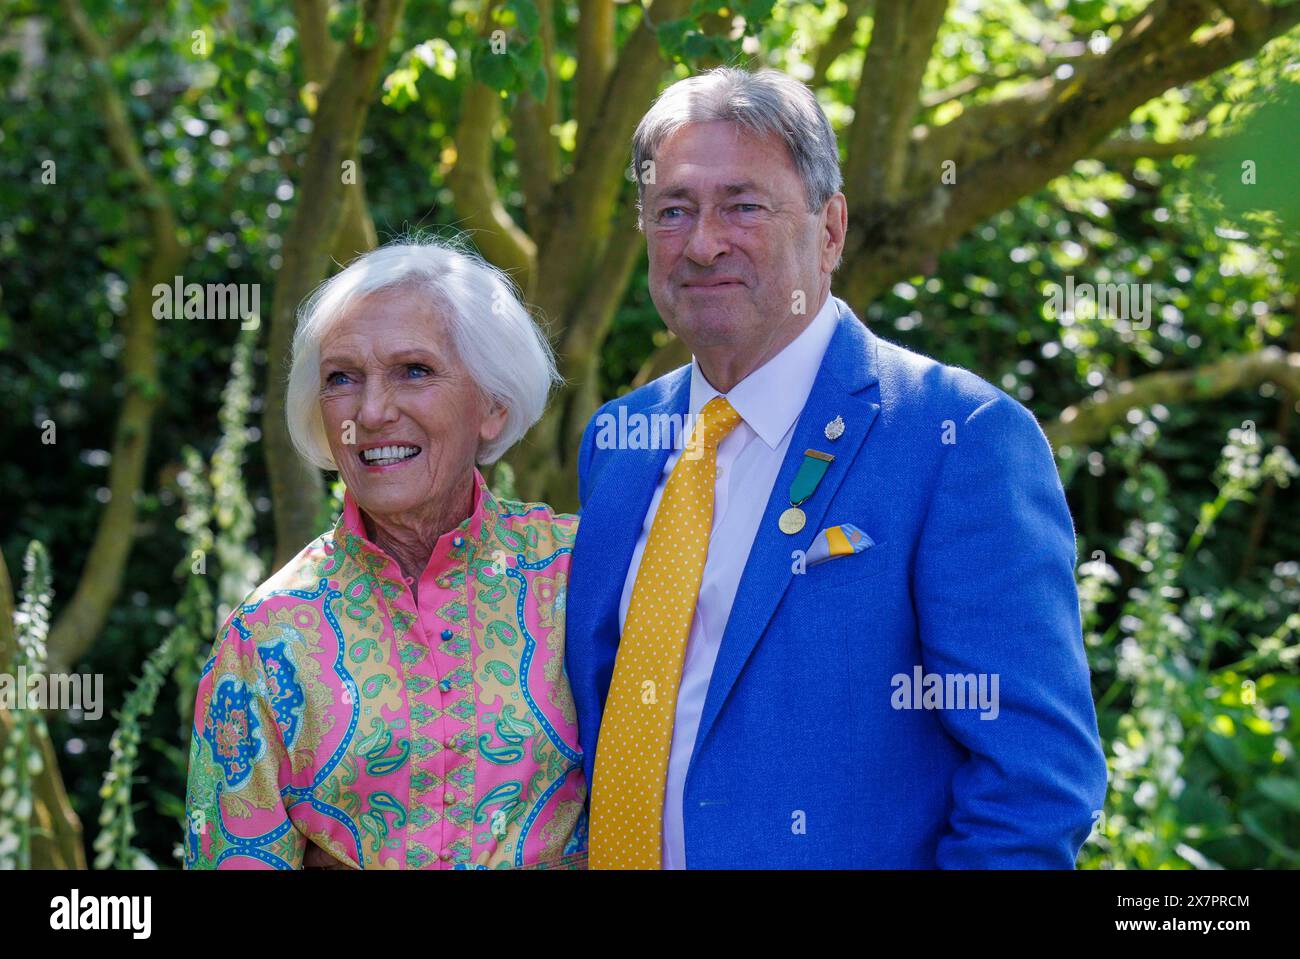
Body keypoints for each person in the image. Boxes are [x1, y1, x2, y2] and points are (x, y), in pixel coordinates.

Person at [566, 67, 1109, 869]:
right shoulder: (617, 438)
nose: (703, 241)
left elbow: (1035, 788)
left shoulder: (958, 438)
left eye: (743, 205)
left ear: (830, 229)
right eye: (672, 211)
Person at [184, 239, 587, 869]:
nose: (371, 412)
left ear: (493, 403)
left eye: (414, 370)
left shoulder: (583, 574)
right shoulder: (267, 637)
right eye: (342, 379)